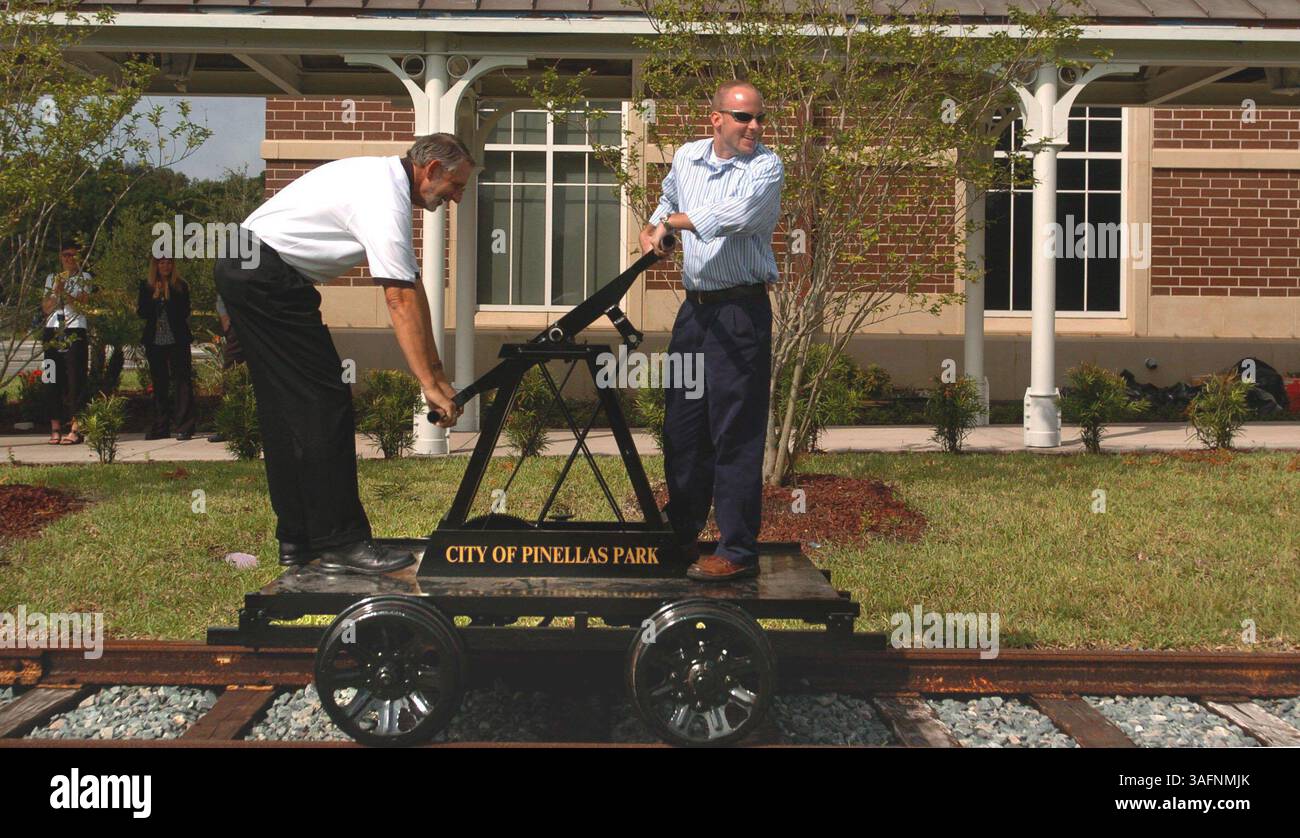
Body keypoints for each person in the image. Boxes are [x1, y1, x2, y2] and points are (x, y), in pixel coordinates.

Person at [214, 133, 470, 575]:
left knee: (287, 410)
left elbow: (413, 291)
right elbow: (398, 300)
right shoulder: (384, 197)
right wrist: (428, 385)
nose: (457, 197)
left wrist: (438, 373)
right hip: (265, 275)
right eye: (456, 185)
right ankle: (341, 543)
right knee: (323, 404)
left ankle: (298, 539)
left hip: (251, 267)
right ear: (430, 170)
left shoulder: (382, 182)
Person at [640, 81, 784, 582]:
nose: (755, 127)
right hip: (695, 314)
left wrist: (672, 225)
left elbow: (733, 217)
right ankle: (681, 532)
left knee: (735, 432)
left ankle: (737, 549)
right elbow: (666, 202)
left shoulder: (766, 168)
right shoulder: (686, 157)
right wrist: (652, 227)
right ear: (716, 119)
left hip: (740, 313)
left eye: (759, 118)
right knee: (683, 426)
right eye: (743, 118)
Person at [136, 255, 196, 440]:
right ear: (156, 265)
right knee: (159, 383)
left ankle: (184, 425)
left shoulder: (180, 285)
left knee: (182, 382)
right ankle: (161, 426)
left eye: (169, 262)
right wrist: (155, 298)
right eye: (161, 263)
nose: (166, 266)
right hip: (155, 340)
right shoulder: (146, 286)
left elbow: (184, 311)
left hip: (177, 339)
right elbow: (142, 312)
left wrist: (168, 296)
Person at [41, 243, 93, 445]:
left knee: (75, 378)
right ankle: (55, 426)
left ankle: (76, 427)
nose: (69, 259)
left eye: (73, 255)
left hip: (74, 328)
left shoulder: (84, 278)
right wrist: (56, 291)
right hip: (53, 330)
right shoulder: (51, 278)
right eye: (66, 255)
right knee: (51, 377)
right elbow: (46, 308)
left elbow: (83, 303)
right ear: (60, 257)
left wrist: (66, 293)